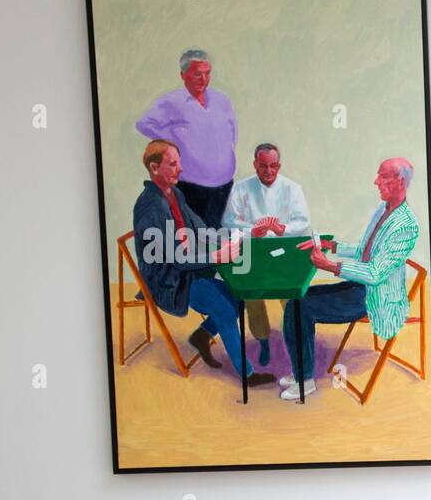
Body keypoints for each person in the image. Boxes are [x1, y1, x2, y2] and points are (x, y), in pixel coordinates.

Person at [131, 140, 273, 387]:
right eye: (173, 164)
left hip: (188, 270)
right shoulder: (149, 207)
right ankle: (247, 375)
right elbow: (176, 259)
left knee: (238, 292)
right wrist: (217, 256)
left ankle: (202, 335)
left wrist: (243, 235)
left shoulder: (174, 194)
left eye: (179, 163)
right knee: (226, 310)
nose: (180, 169)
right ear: (154, 168)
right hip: (169, 280)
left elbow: (201, 229)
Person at [282, 158, 419, 402]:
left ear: (400, 182)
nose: (376, 181)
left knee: (300, 307)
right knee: (296, 299)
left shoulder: (406, 225)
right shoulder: (384, 209)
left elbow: (376, 273)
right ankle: (300, 372)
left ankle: (305, 380)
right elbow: (365, 252)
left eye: (383, 177)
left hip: (374, 298)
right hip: (361, 286)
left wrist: (331, 266)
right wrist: (331, 246)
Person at [219, 143, 312, 366]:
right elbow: (228, 221)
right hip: (253, 249)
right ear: (255, 165)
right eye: (263, 166)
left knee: (290, 295)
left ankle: (295, 340)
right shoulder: (242, 188)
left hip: (284, 249)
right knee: (252, 296)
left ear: (279, 165)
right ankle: (263, 343)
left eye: (273, 166)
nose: (268, 171)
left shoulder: (292, 188)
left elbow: (303, 221)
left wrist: (283, 229)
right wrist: (252, 230)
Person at [136, 49, 238, 230]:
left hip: (224, 185)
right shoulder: (172, 101)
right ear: (183, 75)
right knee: (195, 237)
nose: (203, 79)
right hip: (191, 187)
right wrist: (174, 142)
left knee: (219, 235)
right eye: (197, 74)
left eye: (207, 73)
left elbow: (233, 132)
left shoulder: (222, 100)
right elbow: (144, 124)